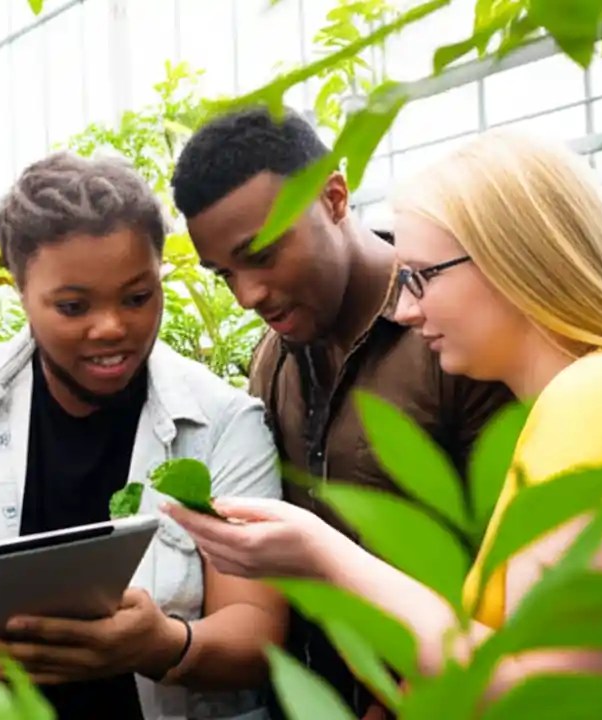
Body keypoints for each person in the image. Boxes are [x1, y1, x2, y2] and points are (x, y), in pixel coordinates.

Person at [165, 129, 602, 717]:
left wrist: (320, 553)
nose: (405, 308)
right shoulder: (599, 397)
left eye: (422, 276)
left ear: (515, 259)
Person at [169, 107, 512, 715]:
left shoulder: (455, 343)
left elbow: (514, 566)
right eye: (226, 274)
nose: (248, 295)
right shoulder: (272, 361)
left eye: (264, 254)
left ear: (333, 197)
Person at [0, 152, 288, 719]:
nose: (112, 327)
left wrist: (164, 645)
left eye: (138, 297)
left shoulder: (221, 425)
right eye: (73, 306)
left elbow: (257, 634)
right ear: (21, 291)